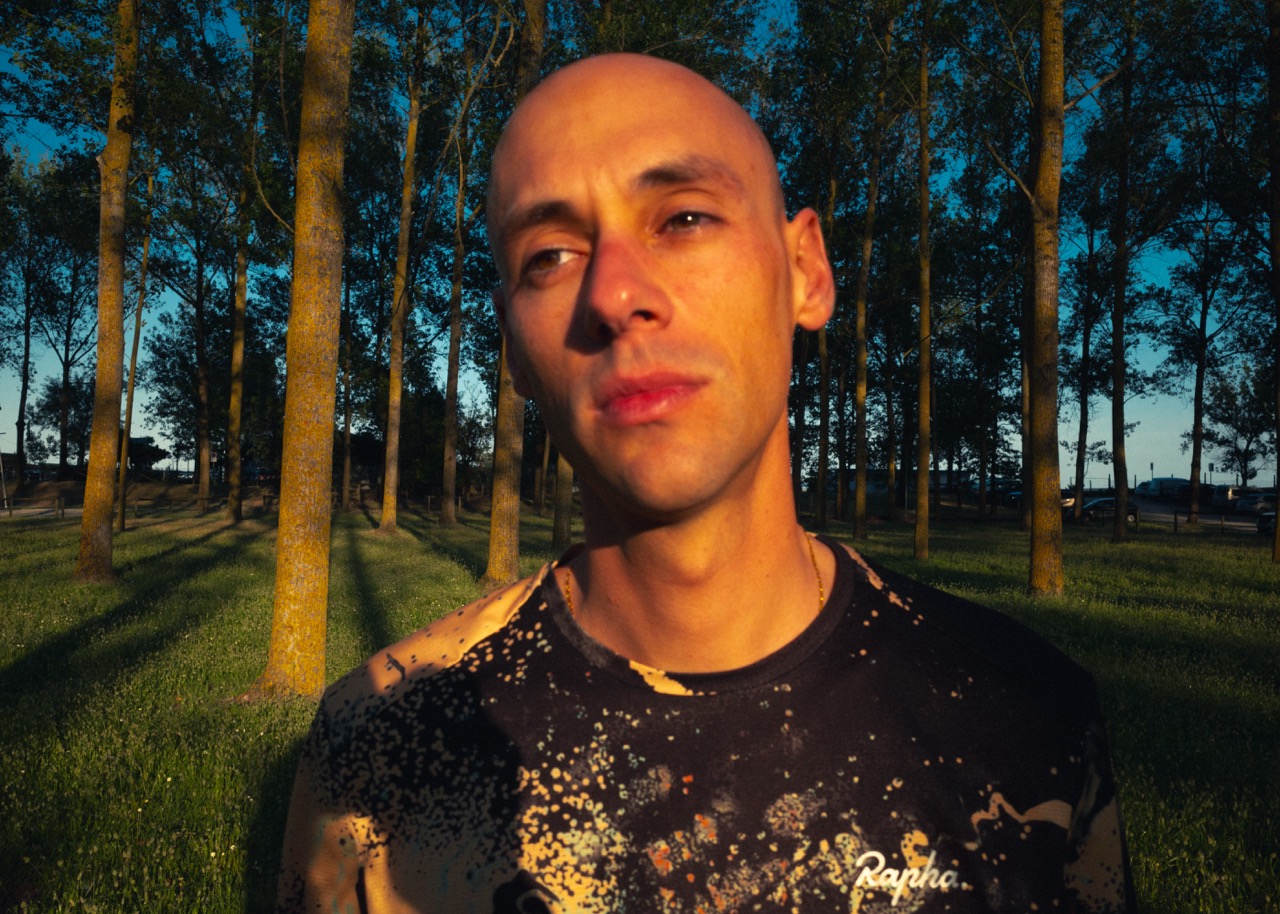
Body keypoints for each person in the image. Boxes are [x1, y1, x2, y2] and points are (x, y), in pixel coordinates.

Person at [276, 53, 1135, 913]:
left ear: (806, 272)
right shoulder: (380, 745)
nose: (614, 295)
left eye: (684, 218)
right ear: (513, 349)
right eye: (550, 256)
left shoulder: (1027, 715)